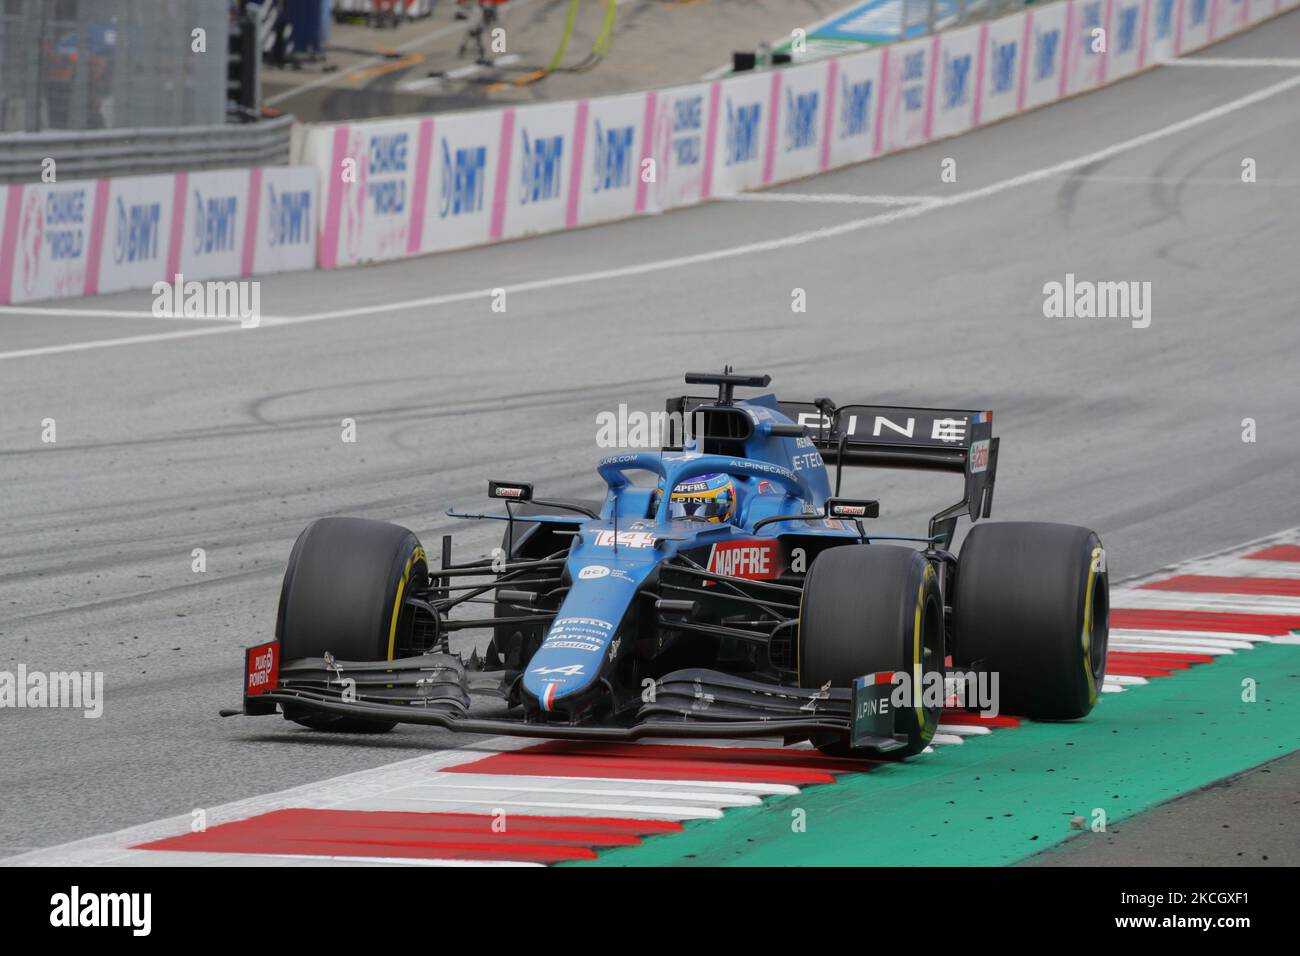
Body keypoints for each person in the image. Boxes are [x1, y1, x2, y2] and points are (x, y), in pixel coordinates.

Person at [456, 0, 508, 66]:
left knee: (477, 34)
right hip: (481, 14)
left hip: (484, 15)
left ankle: (479, 55)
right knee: (476, 33)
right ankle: (477, 54)